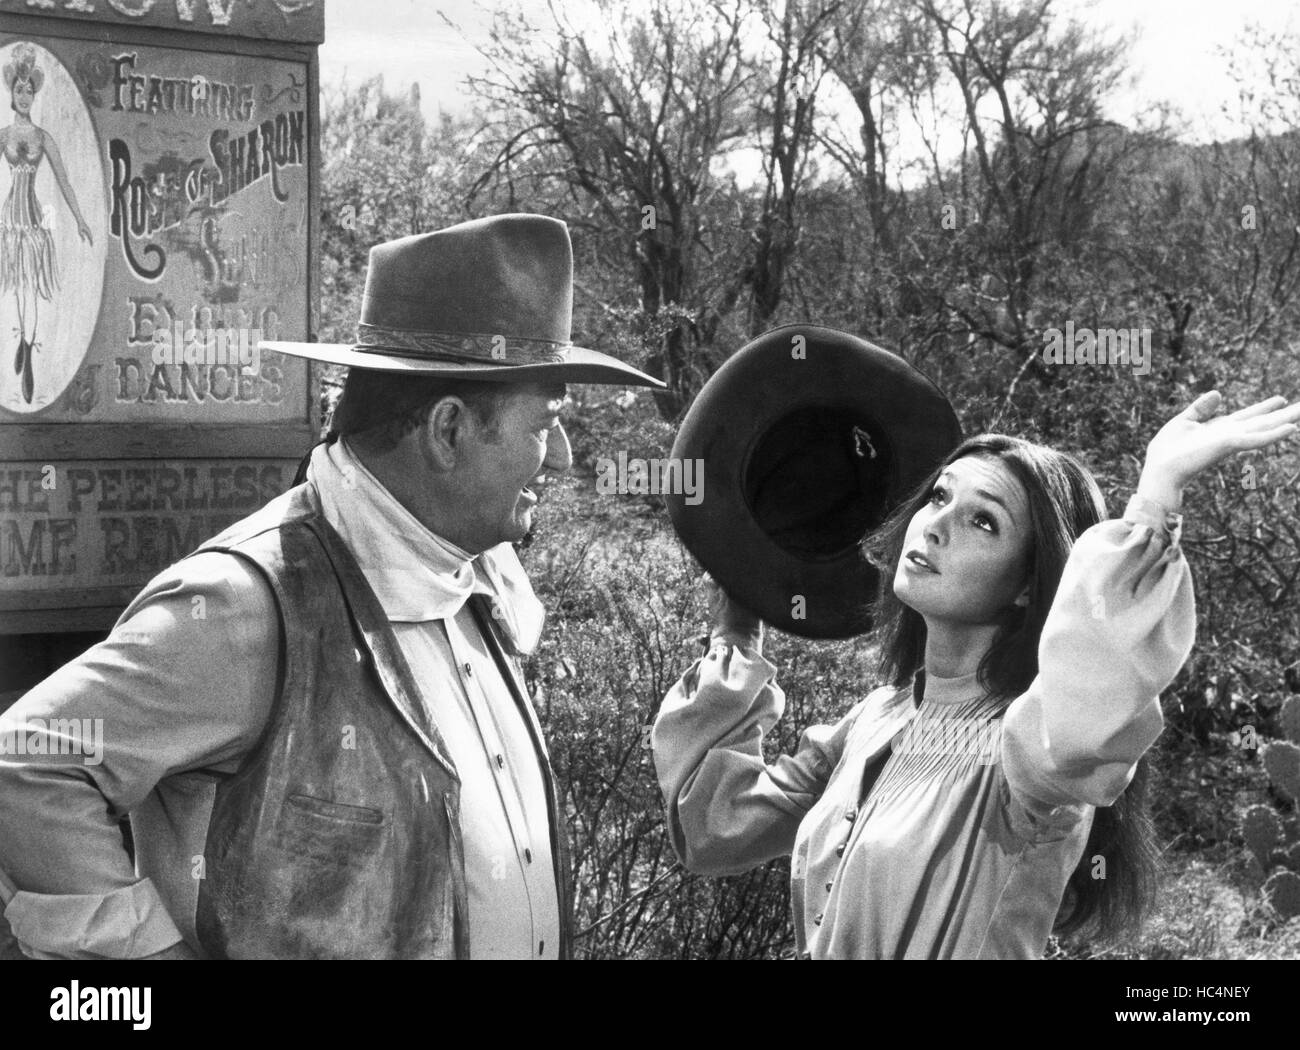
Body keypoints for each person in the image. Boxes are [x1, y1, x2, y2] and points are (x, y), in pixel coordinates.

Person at [0, 213, 664, 959]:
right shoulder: (251, 604)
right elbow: (25, 762)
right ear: (447, 430)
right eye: (545, 425)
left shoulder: (472, 580)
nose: (565, 459)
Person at [653, 390, 1300, 958]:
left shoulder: (1031, 754)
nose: (935, 525)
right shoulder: (876, 720)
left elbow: (1091, 696)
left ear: (1026, 585)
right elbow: (713, 828)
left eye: (982, 520)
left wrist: (1155, 501)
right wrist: (737, 625)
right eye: (939, 496)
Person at [1, 42, 93, 404]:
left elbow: (66, 181)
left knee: (33, 288)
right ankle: (23, 337)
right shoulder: (5, 137)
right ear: (12, 92)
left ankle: (28, 350)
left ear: (35, 95)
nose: (25, 96)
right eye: (19, 89)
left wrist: (81, 220)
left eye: (30, 90)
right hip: (10, 220)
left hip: (35, 219)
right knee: (17, 286)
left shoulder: (43, 137)